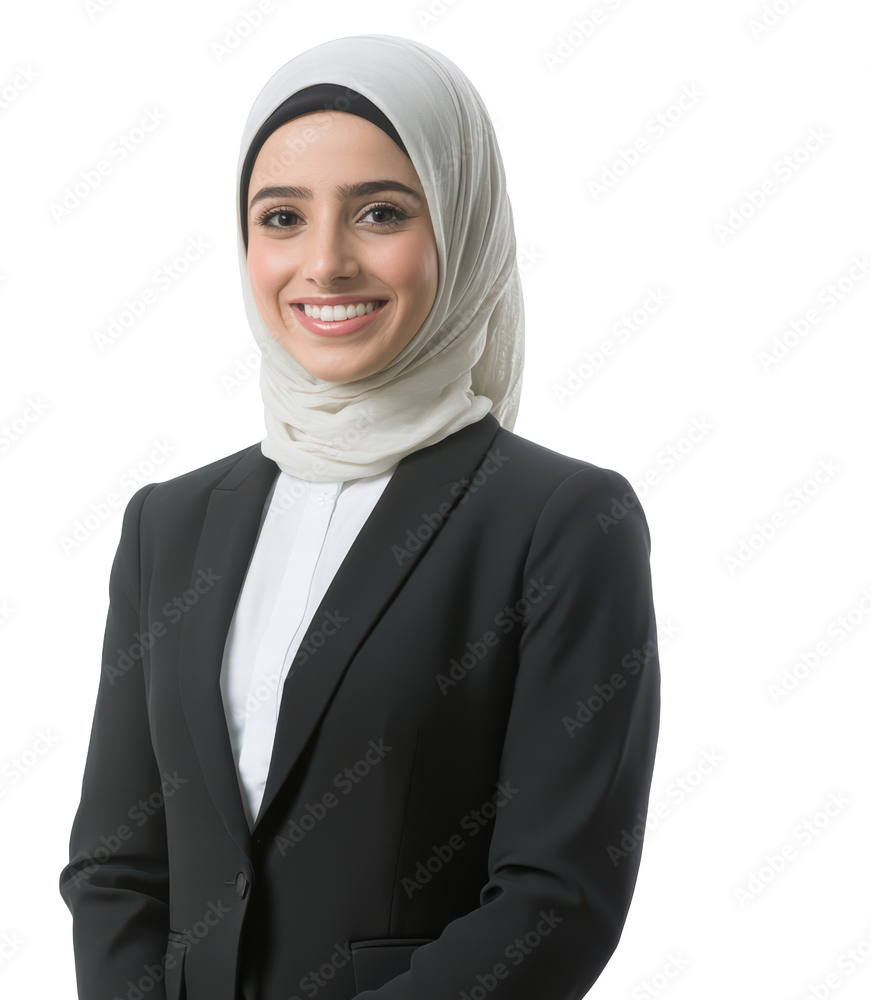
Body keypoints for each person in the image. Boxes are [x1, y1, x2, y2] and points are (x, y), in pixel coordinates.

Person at [59, 33, 661, 1000]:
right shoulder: (165, 528)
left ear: (461, 228)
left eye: (381, 211)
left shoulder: (563, 522)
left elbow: (557, 900)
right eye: (283, 217)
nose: (325, 262)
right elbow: (115, 867)